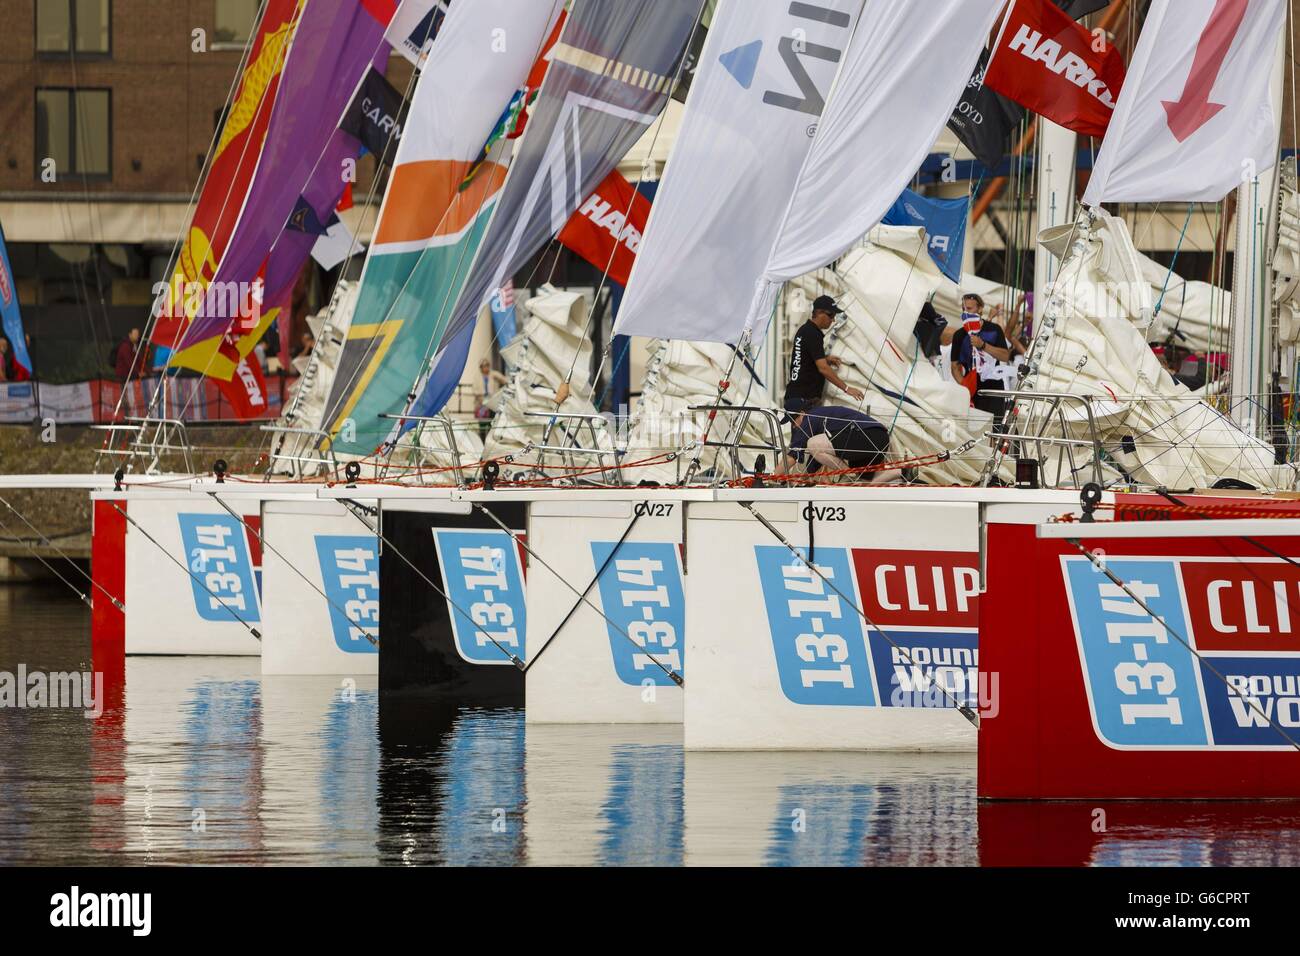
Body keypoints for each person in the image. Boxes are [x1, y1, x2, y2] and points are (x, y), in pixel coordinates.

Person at [782, 404, 902, 483]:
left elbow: (793, 455)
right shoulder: (821, 419)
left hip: (867, 434)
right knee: (859, 484)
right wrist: (803, 479)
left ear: (802, 413)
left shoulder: (810, 418)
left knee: (813, 444)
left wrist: (773, 478)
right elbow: (817, 458)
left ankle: (849, 474)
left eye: (794, 420)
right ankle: (902, 472)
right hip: (880, 437)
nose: (794, 426)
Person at [784, 294, 864, 414]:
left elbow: (805, 357)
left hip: (795, 397)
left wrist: (825, 358)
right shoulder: (813, 334)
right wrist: (847, 389)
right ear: (819, 313)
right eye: (831, 315)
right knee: (808, 433)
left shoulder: (804, 330)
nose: (833, 320)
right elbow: (823, 369)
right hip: (804, 401)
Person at [949, 294, 1012, 415]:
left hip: (994, 388)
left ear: (980, 309)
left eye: (969, 308)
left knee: (994, 427)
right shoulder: (959, 335)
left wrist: (983, 345)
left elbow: (1005, 356)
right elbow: (955, 367)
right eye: (963, 309)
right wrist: (966, 387)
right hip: (972, 389)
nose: (966, 312)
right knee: (974, 429)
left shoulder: (994, 329)